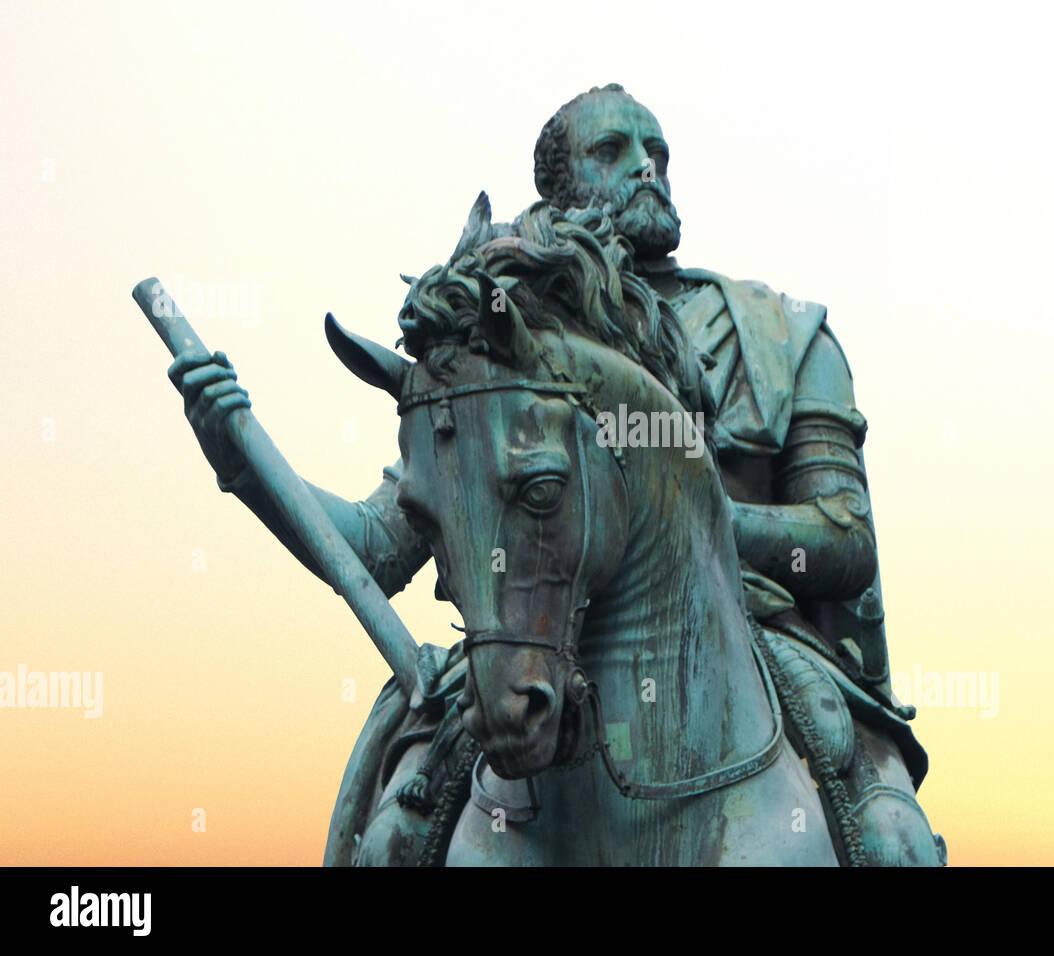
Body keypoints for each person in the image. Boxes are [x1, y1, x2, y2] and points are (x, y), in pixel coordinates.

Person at [169, 84, 944, 865]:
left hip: (750, 641)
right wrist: (247, 469)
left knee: (895, 841)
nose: (648, 168)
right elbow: (376, 545)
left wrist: (684, 508)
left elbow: (845, 540)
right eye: (613, 152)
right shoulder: (492, 351)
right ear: (558, 183)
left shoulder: (782, 332)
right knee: (395, 837)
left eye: (658, 153)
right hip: (524, 638)